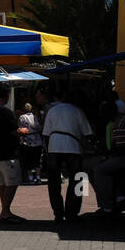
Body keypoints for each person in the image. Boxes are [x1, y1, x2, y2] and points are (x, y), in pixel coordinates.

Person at [42, 89, 95, 222]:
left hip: (54, 147)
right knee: (77, 180)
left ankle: (58, 213)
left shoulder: (52, 111)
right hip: (73, 148)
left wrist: (48, 151)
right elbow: (87, 133)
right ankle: (73, 212)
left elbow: (46, 134)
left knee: (54, 183)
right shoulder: (77, 111)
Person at [0, 87, 26, 221]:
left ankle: (5, 209)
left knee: (2, 183)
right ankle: (5, 211)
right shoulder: (5, 111)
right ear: (6, 96)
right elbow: (14, 130)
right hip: (8, 151)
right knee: (12, 182)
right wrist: (23, 131)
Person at [92, 107, 125, 214]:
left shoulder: (122, 123)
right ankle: (120, 196)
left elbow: (122, 148)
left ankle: (106, 206)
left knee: (99, 169)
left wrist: (109, 156)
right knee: (116, 167)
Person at [18, 103, 43, 185]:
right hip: (37, 140)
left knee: (28, 160)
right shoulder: (35, 117)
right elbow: (39, 128)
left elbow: (21, 128)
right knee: (37, 160)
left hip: (27, 141)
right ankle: (38, 178)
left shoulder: (22, 117)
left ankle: (30, 178)